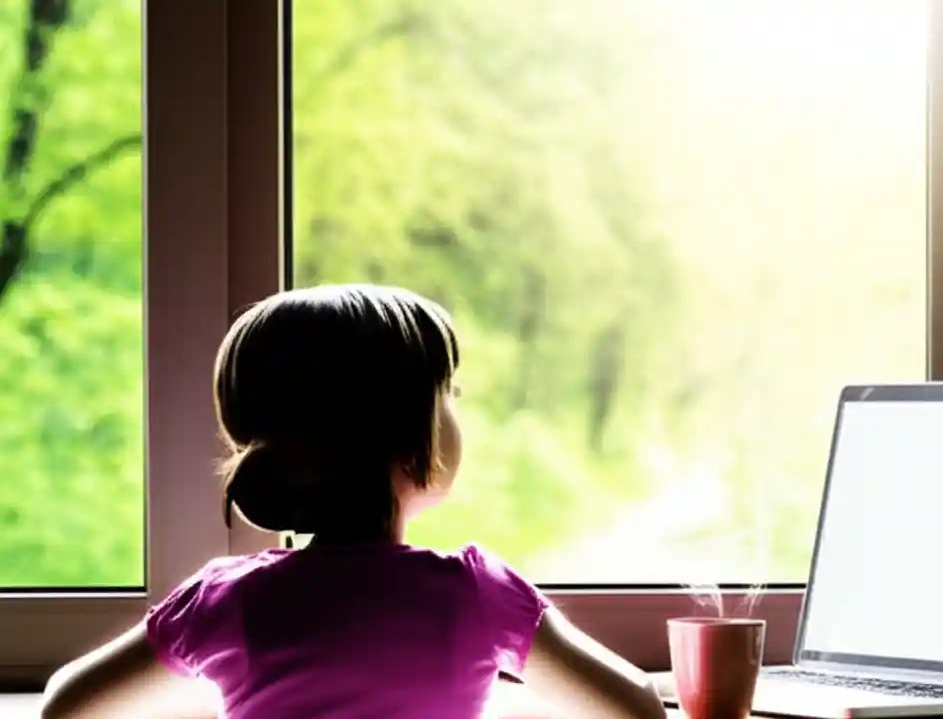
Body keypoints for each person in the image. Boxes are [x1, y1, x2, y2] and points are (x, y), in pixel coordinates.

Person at [40, 284, 667, 719]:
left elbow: (68, 706)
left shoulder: (228, 601)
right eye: (448, 392)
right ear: (401, 430)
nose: (457, 410)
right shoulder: (476, 596)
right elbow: (636, 708)